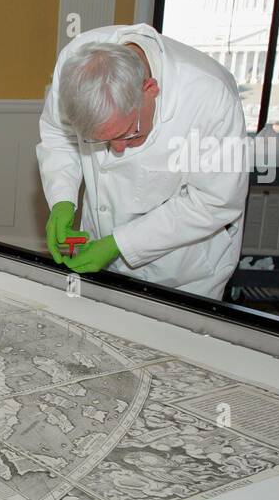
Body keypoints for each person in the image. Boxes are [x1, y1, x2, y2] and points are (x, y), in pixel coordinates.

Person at [37, 23, 249, 299]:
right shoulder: (76, 64)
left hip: (185, 274)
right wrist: (62, 199)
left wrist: (120, 244)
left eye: (129, 133)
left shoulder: (211, 96)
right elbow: (57, 134)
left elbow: (215, 202)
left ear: (150, 89)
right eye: (99, 140)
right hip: (98, 253)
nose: (118, 148)